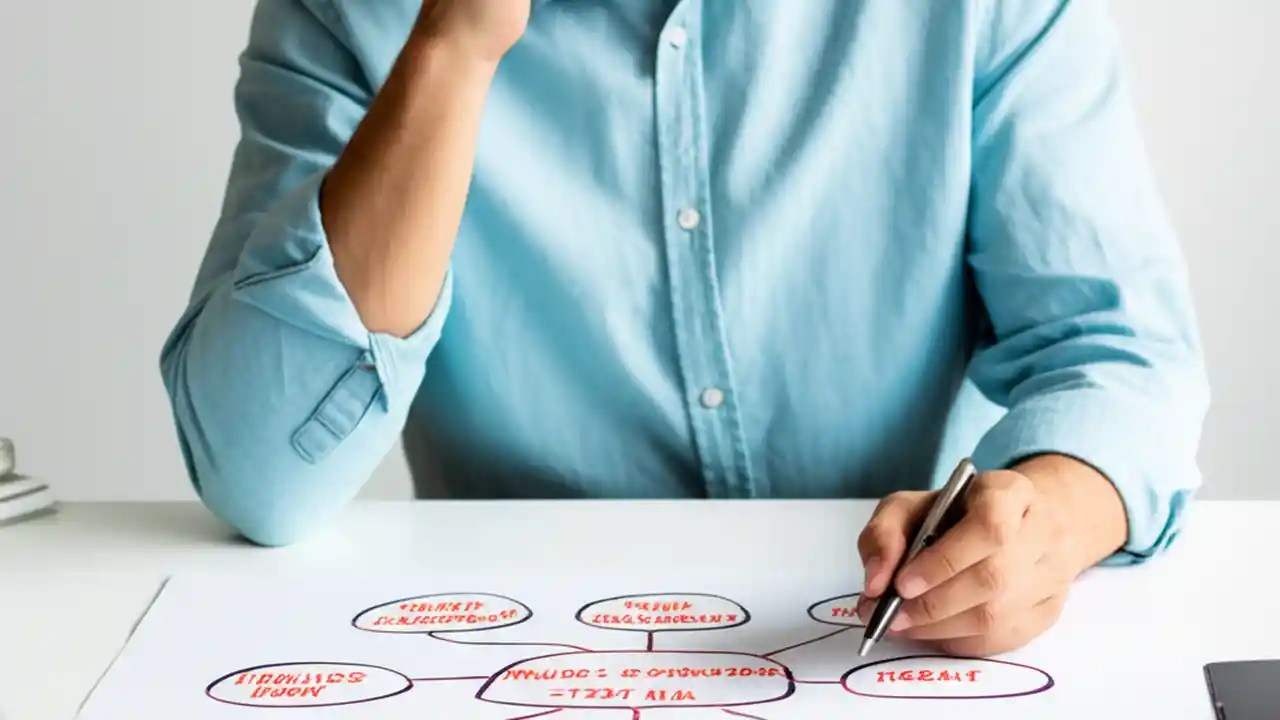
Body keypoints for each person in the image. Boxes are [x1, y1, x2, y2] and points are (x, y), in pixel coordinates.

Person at [159, 0, 1209, 657]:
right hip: (513, 661)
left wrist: (1049, 522)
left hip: (870, 643)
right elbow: (265, 474)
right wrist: (451, 40)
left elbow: (1115, 354)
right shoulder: (344, 14)